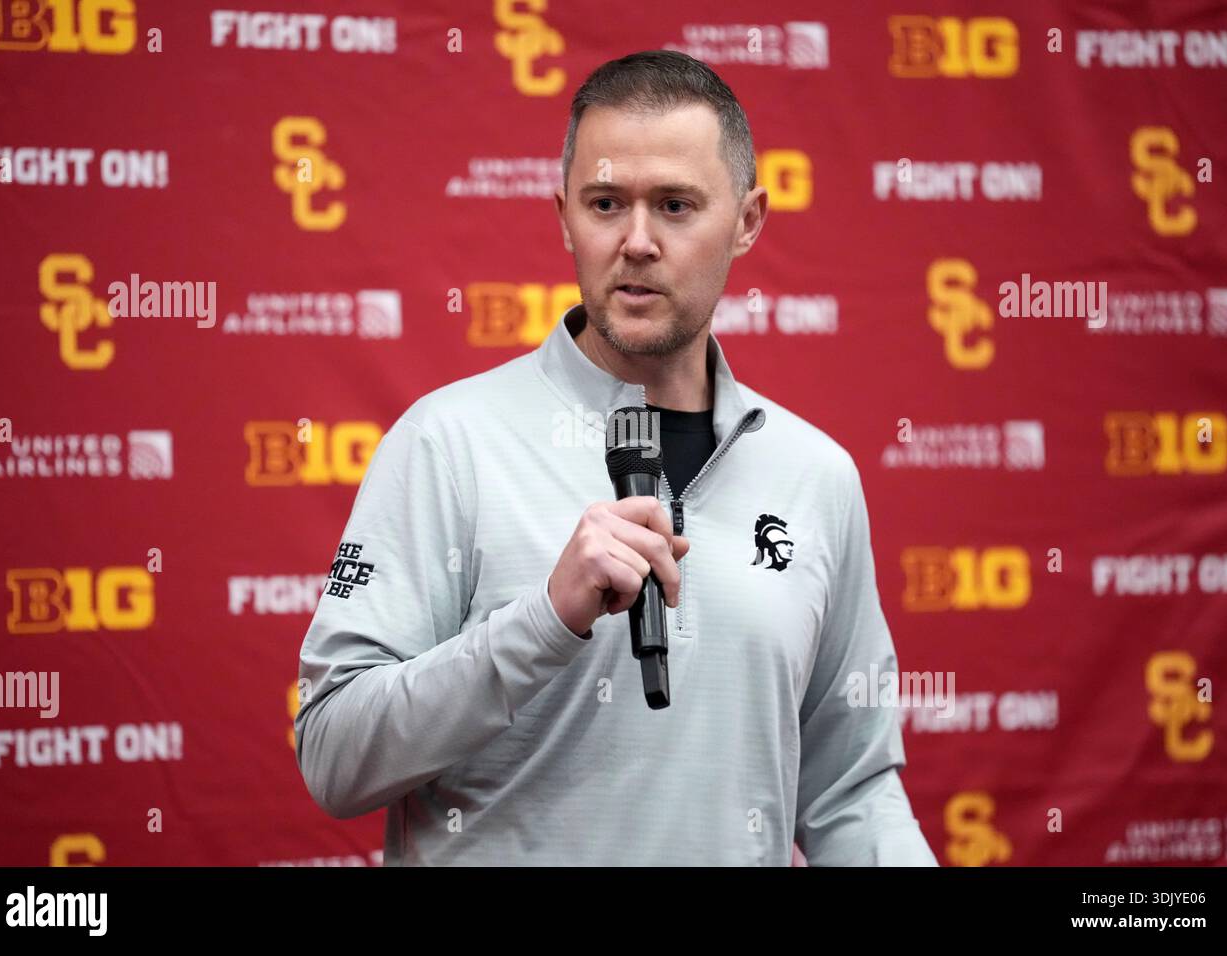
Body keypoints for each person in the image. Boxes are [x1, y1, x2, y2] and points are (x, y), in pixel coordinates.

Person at [295, 49, 937, 866]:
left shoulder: (816, 476)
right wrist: (543, 619)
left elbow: (852, 790)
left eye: (675, 205)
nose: (637, 242)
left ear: (747, 219)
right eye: (606, 204)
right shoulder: (446, 443)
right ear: (564, 215)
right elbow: (333, 757)